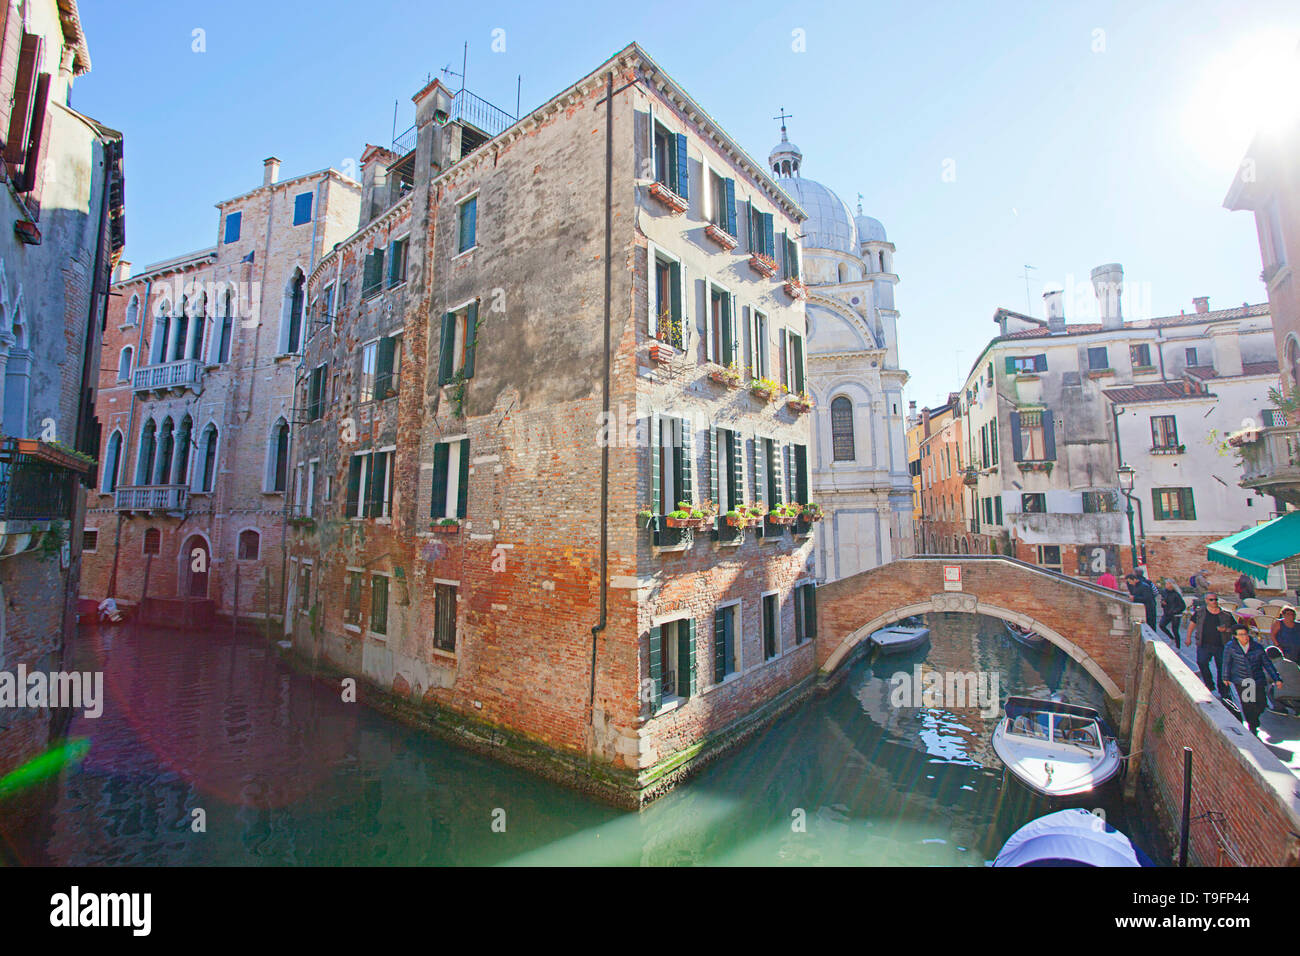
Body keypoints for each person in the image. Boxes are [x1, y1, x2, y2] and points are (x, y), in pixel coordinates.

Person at [1222, 623, 1282, 736]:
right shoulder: (1230, 647)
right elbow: (1227, 663)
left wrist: (1276, 678)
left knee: (1262, 703)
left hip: (1257, 679)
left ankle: (1254, 719)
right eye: (1241, 635)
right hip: (1242, 680)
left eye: (1245, 634)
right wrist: (1226, 677)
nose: (1244, 636)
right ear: (1235, 636)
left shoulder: (1257, 647)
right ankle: (1252, 725)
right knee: (1248, 704)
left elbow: (1267, 664)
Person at [1187, 592, 1236, 693]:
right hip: (1204, 644)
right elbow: (1192, 624)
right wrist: (1188, 638)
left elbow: (1235, 629)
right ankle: (1209, 684)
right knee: (1201, 662)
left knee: (1222, 667)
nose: (1214, 602)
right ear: (1206, 601)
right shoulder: (1200, 613)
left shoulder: (1226, 615)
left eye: (1215, 599)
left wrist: (1226, 629)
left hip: (1221, 645)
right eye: (1211, 600)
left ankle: (1223, 690)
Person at [1158, 579, 1186, 644]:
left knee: (1175, 630)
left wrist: (1175, 611)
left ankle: (1178, 646)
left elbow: (1182, 606)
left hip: (1175, 614)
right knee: (1162, 625)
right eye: (1166, 584)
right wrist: (1163, 603)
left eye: (1168, 584)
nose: (1166, 585)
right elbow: (1163, 600)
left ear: (1172, 585)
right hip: (1167, 612)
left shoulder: (1176, 594)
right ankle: (1171, 638)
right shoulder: (1164, 592)